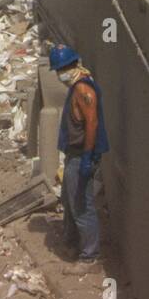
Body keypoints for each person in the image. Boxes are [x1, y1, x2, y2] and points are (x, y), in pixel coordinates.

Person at [50, 44, 109, 264]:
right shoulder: (77, 86)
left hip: (81, 156)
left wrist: (86, 159)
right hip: (74, 155)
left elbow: (92, 124)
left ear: (71, 65)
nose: (60, 74)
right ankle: (72, 244)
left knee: (82, 207)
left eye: (62, 69)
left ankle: (89, 257)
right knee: (69, 200)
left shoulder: (84, 91)